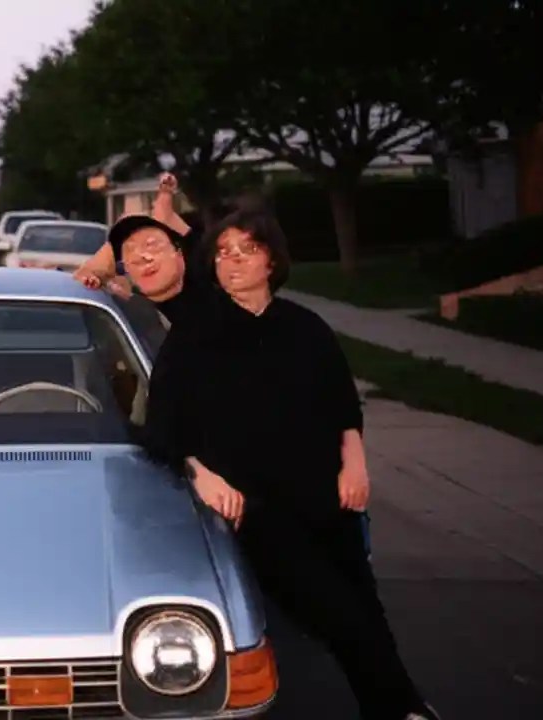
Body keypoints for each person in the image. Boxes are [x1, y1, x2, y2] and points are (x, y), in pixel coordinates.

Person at [97, 203, 439, 720]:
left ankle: (398, 706)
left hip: (330, 497)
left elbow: (342, 405)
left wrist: (355, 464)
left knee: (366, 612)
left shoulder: (307, 327)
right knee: (336, 614)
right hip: (260, 509)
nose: (233, 261)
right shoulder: (197, 333)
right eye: (224, 253)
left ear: (271, 262)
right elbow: (163, 427)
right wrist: (201, 473)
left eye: (247, 251)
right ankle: (402, 708)